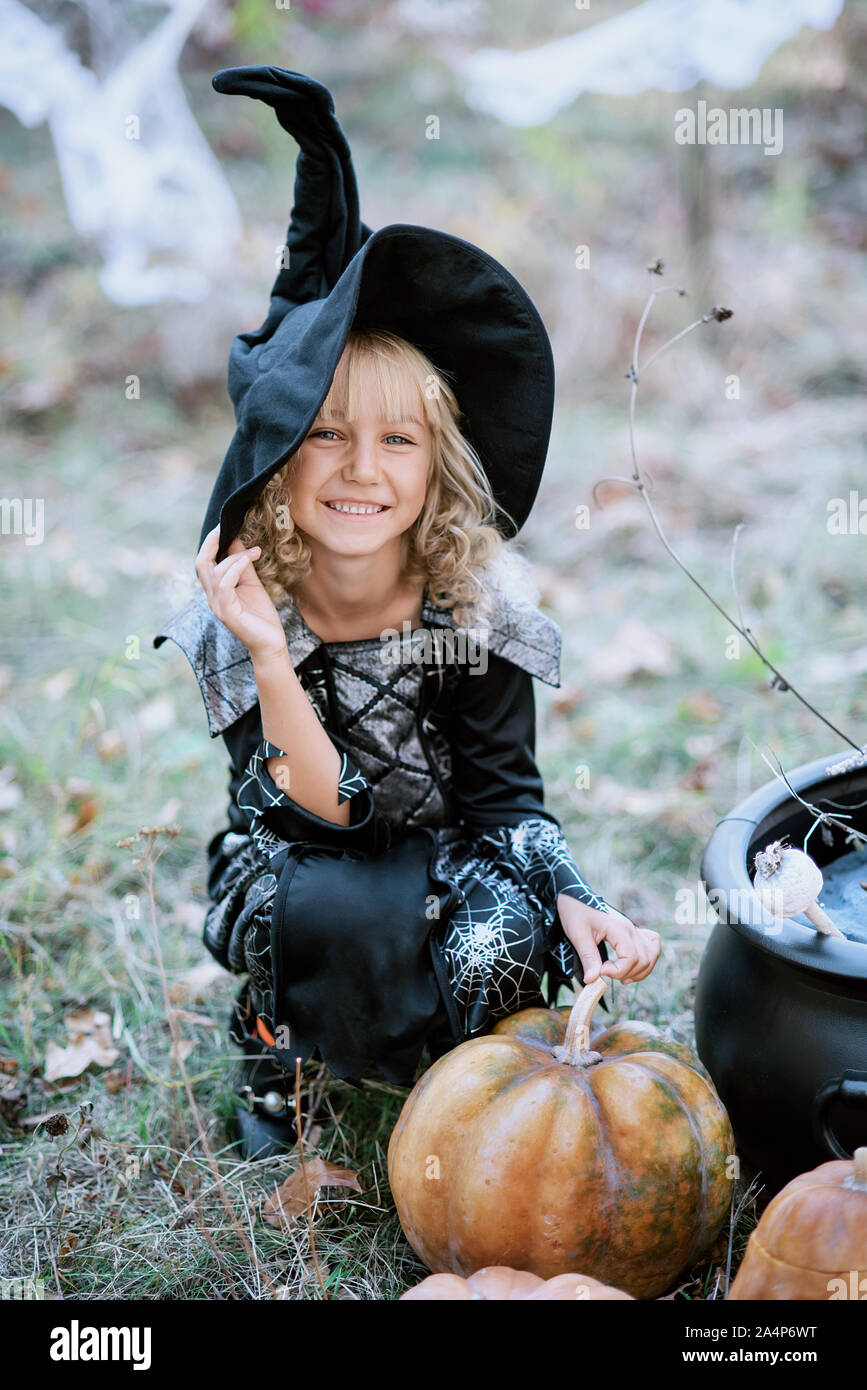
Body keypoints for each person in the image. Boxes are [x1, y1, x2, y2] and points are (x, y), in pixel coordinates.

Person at [153, 66, 661, 1158]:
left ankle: (464, 1090)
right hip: (301, 859)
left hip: (441, 854)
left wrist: (573, 895)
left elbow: (504, 798)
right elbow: (311, 817)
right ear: (281, 458)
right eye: (326, 434)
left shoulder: (474, 607)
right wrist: (269, 658)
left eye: (397, 440)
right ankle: (281, 1057)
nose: (360, 470)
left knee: (503, 933)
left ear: (438, 468)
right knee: (303, 912)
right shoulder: (245, 619)